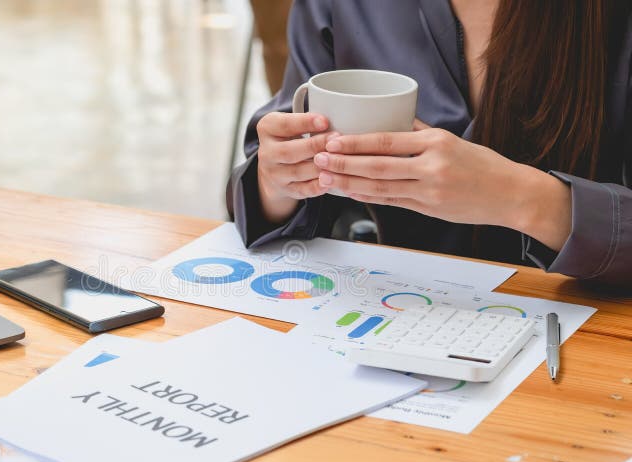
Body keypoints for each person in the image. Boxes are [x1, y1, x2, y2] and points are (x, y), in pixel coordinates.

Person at [227, 0, 632, 288]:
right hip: (389, 312)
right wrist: (278, 181)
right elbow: (268, 188)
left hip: (583, 336)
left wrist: (523, 198)